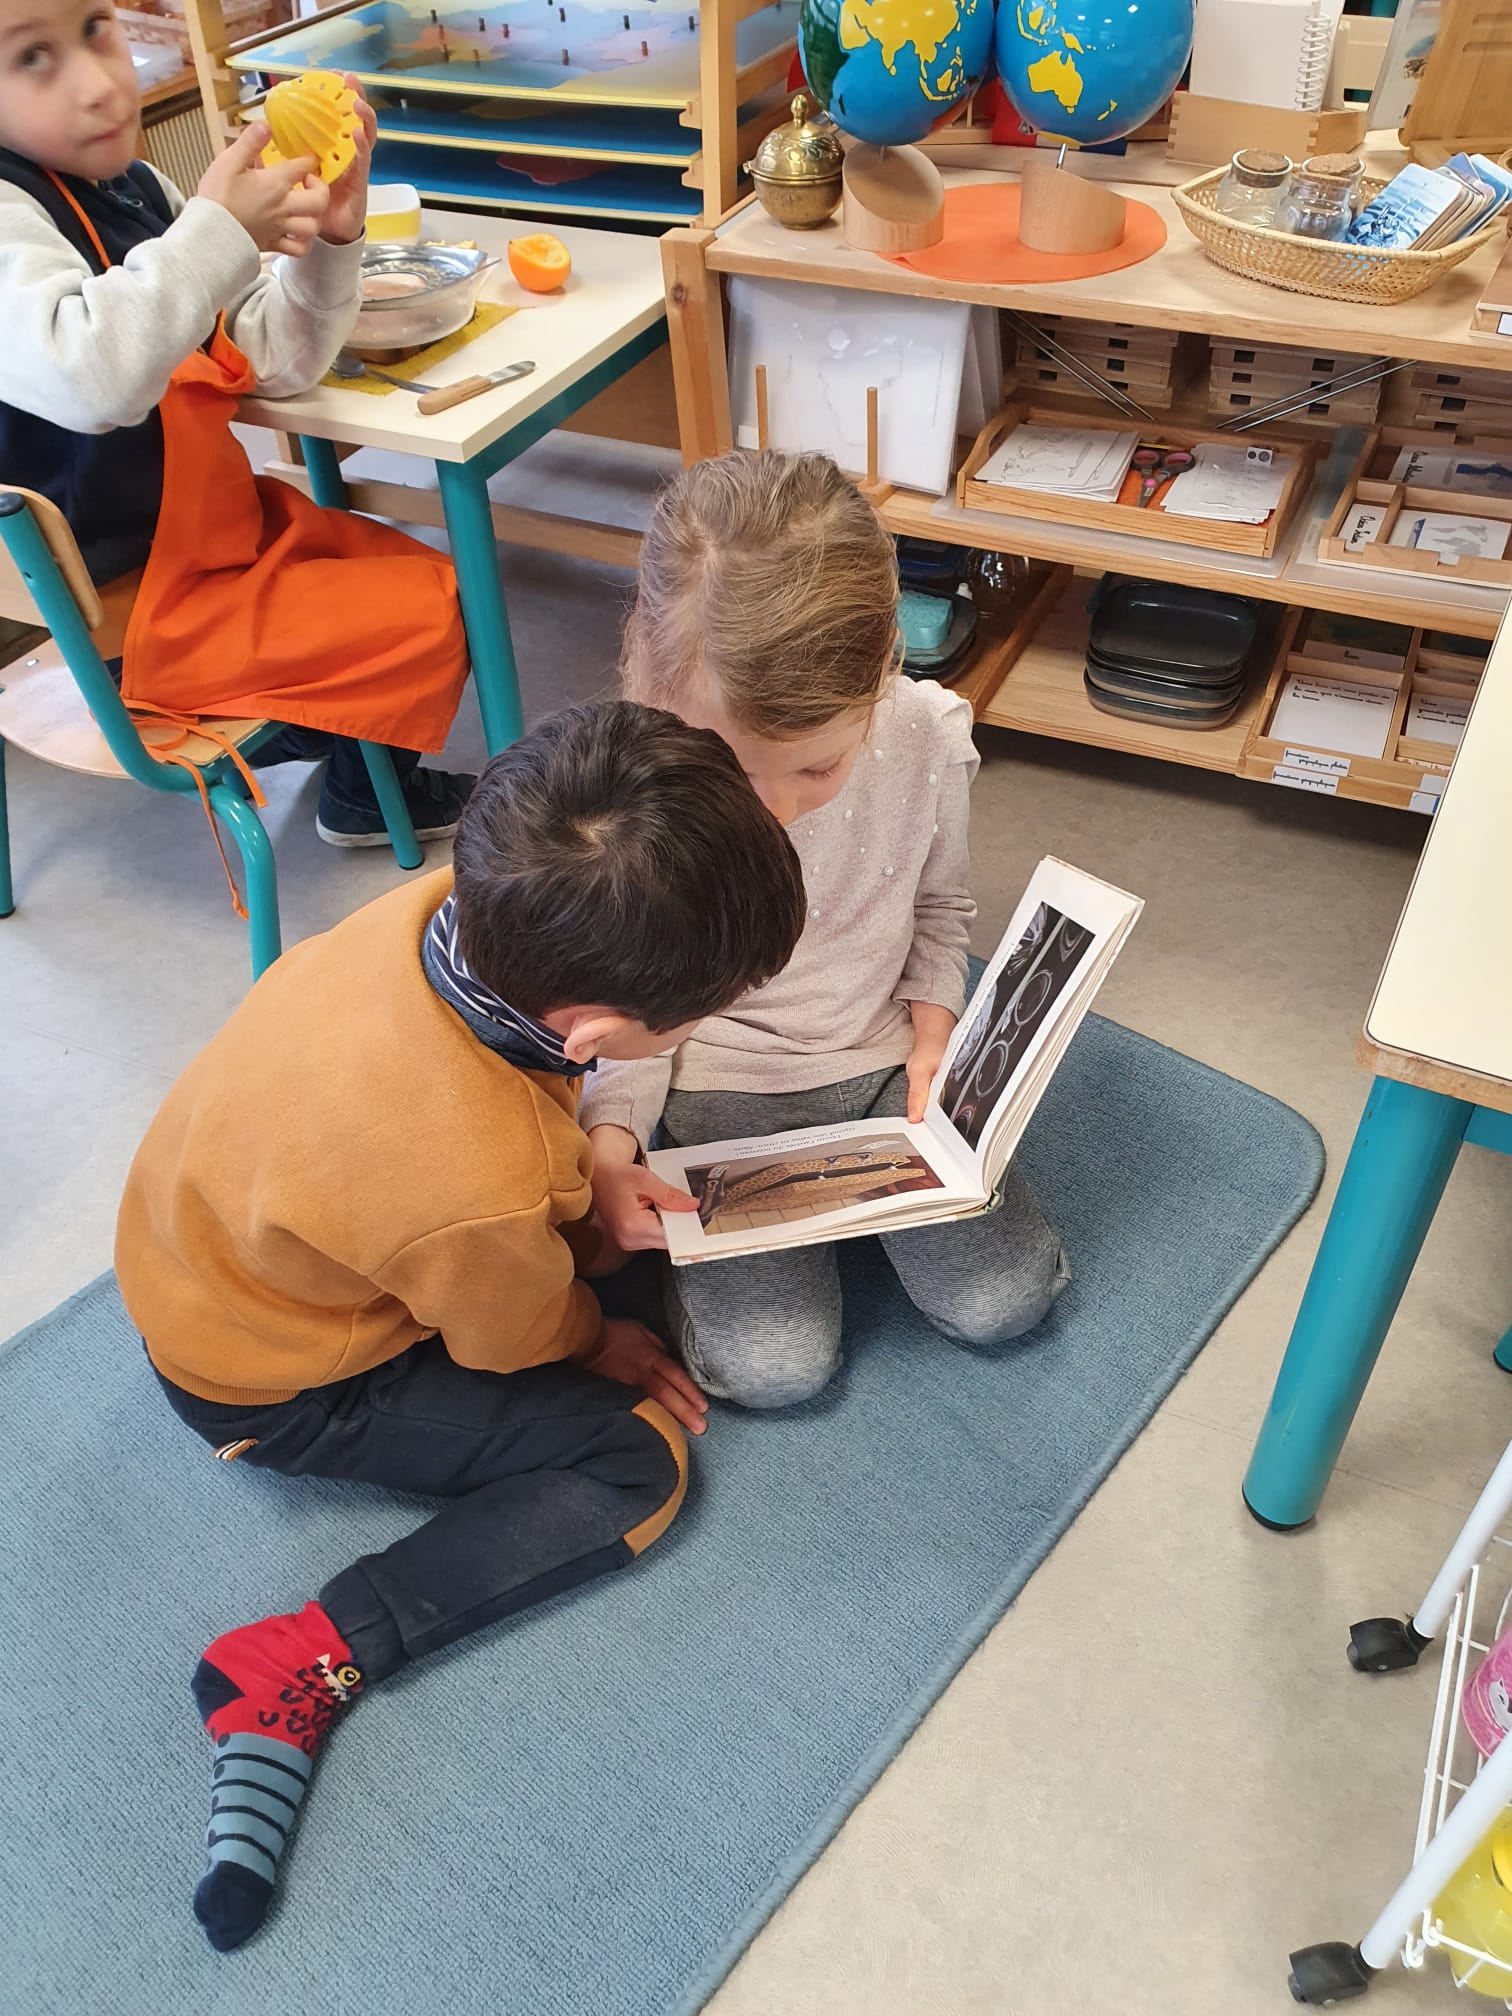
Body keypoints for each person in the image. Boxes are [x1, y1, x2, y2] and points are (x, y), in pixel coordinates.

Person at [113, 700, 807, 1952]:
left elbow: (490, 1145)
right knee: (637, 1463)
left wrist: (582, 1187)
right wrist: (593, 1332)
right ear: (595, 1035)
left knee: (617, 1251)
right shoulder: (472, 1180)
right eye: (692, 1021)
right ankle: (309, 1657)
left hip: (213, 1252)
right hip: (274, 1385)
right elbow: (510, 1335)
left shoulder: (440, 908)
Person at [584, 451, 1070, 1407]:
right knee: (775, 1371)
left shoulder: (929, 736)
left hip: (883, 1058)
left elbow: (941, 907)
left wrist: (937, 1031)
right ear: (652, 682)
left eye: (816, 769)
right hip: (717, 1080)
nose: (775, 811)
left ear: (883, 665)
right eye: (731, 766)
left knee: (1007, 1301)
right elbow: (632, 997)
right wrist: (610, 1144)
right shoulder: (634, 781)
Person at [0, 0, 473, 845]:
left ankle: (356, 782)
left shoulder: (137, 190)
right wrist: (212, 229)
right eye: (32, 58)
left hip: (217, 545)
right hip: (129, 614)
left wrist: (333, 240)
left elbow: (275, 359)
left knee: (425, 575)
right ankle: (341, 765)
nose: (101, 85)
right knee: (420, 610)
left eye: (96, 28)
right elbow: (95, 374)